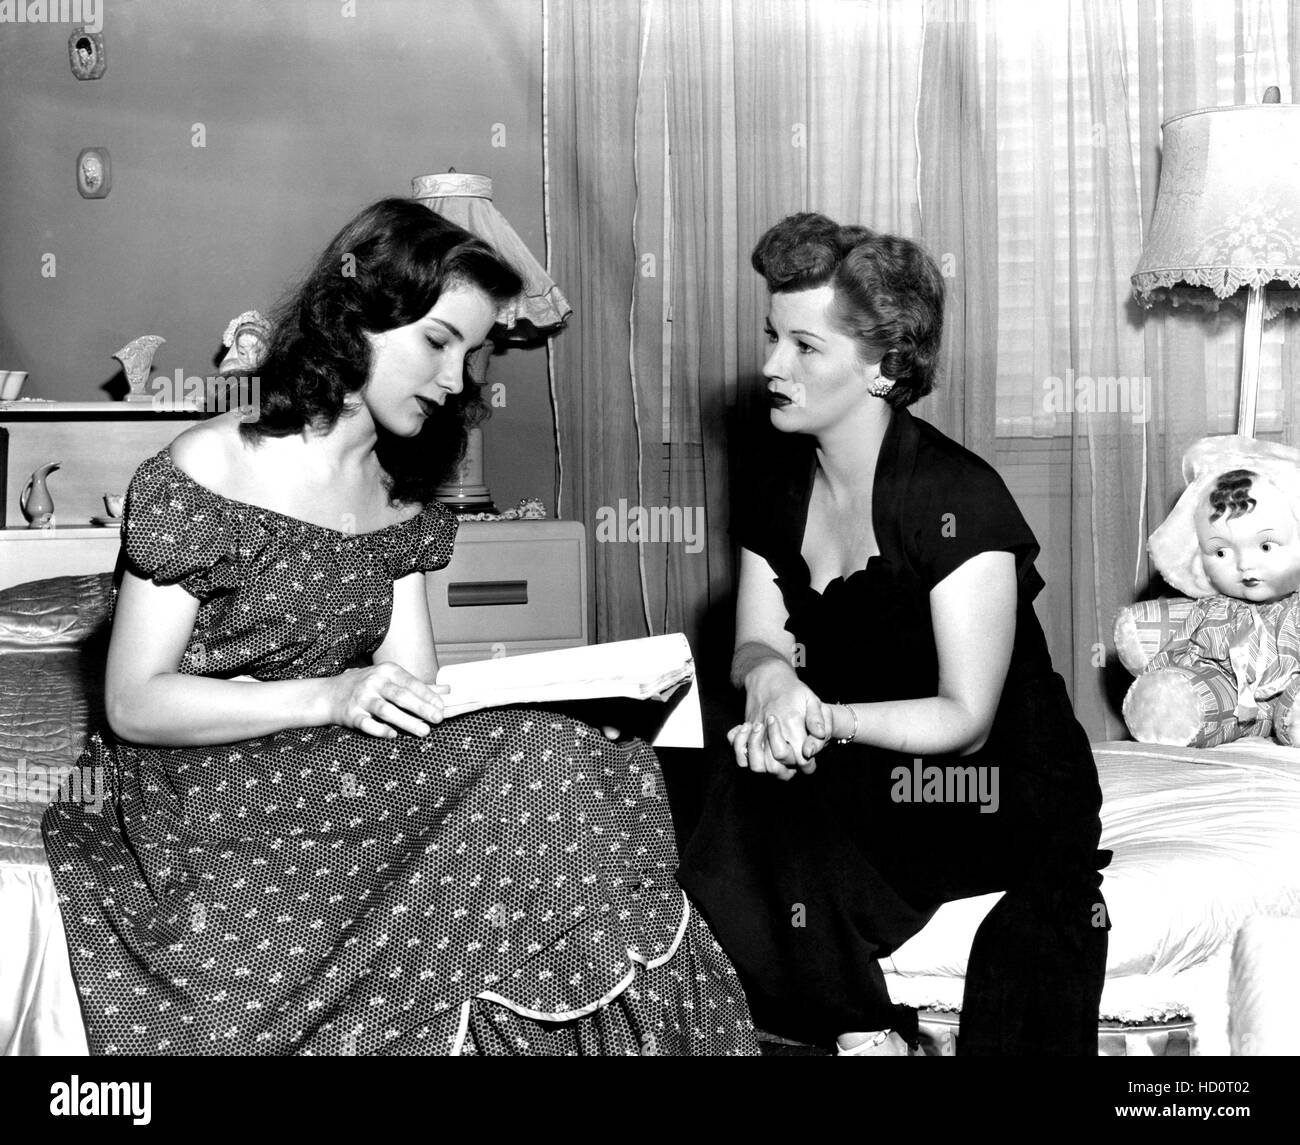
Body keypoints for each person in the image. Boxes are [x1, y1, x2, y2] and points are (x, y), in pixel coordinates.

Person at [42, 198, 757, 1057]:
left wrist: (563, 708)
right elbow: (132, 702)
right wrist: (333, 695)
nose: (457, 379)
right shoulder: (208, 467)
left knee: (578, 760)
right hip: (195, 780)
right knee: (542, 769)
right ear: (358, 321)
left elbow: (418, 682)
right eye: (437, 341)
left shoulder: (399, 491)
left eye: (472, 352)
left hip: (325, 765)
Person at [677, 213, 1110, 1056]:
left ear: (884, 368)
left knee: (780, 813)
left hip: (992, 780)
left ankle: (859, 1033)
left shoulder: (958, 499)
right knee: (686, 783)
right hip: (859, 752)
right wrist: (769, 684)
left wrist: (821, 720)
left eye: (805, 347)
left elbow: (964, 718)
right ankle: (841, 1029)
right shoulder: (777, 485)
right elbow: (755, 643)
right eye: (773, 337)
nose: (770, 366)